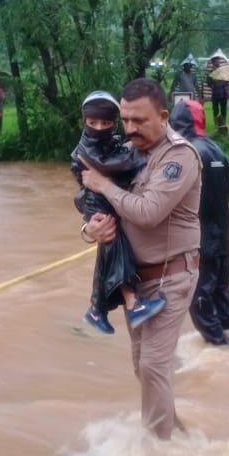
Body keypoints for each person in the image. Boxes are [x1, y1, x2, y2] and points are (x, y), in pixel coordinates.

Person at [80, 78, 201, 440]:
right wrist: (90, 231)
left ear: (163, 116)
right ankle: (175, 434)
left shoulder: (178, 156)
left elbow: (148, 212)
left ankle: (159, 453)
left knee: (152, 365)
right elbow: (100, 214)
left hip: (171, 277)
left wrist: (104, 185)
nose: (130, 128)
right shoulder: (128, 153)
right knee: (143, 365)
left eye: (140, 120)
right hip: (135, 278)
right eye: (126, 119)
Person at [71, 91, 168, 335]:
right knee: (115, 245)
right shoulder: (87, 147)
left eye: (105, 123)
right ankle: (129, 303)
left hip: (104, 200)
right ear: (84, 121)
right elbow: (107, 166)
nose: (99, 128)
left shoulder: (111, 143)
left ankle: (97, 309)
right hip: (97, 201)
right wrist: (138, 158)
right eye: (92, 123)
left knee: (109, 248)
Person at [170, 99, 229, 347]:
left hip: (200, 240)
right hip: (223, 236)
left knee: (198, 295)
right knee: (221, 288)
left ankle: (222, 346)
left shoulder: (185, 153)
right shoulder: (216, 149)